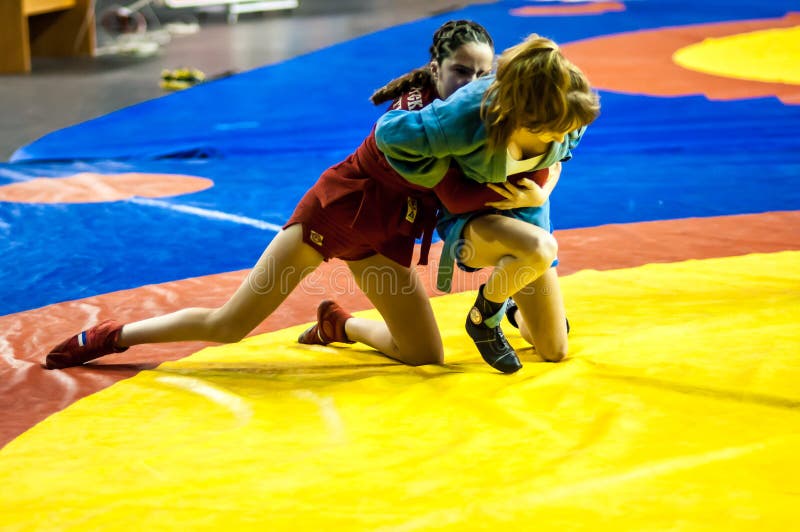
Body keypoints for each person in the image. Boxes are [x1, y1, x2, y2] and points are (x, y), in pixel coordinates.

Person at [43, 20, 503, 370]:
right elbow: (459, 187)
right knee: (229, 325)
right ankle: (111, 336)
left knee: (424, 354)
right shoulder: (412, 122)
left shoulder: (460, 116)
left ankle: (339, 324)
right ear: (434, 69)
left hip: (381, 236)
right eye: (461, 71)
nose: (472, 83)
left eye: (483, 74)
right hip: (331, 217)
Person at [374, 34, 601, 373]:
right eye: (558, 130)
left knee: (554, 349)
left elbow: (560, 157)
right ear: (527, 119)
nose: (566, 134)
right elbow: (388, 134)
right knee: (542, 248)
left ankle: (511, 304)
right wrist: (448, 184)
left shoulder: (569, 107)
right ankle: (483, 318)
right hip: (473, 226)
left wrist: (543, 192)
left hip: (527, 216)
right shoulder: (467, 116)